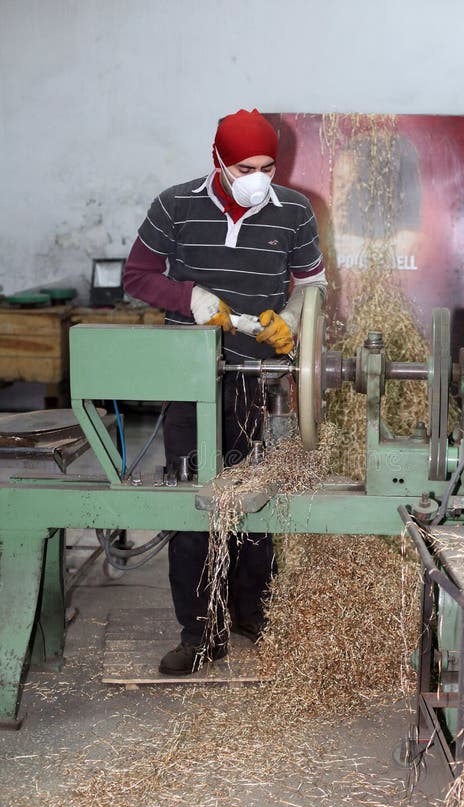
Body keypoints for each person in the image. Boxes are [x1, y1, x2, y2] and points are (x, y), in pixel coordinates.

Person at [123, 108, 326, 675]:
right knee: (194, 499)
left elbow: (312, 284)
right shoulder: (175, 205)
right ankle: (199, 632)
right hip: (189, 379)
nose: (257, 179)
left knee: (254, 495)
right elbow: (137, 275)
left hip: (258, 379)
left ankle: (251, 613)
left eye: (267, 167)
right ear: (217, 160)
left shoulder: (294, 212)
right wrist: (190, 298)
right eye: (244, 168)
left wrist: (292, 318)